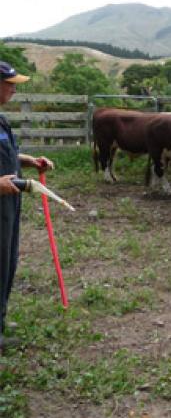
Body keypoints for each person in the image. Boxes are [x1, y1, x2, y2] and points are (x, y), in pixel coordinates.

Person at [0, 61, 54, 351]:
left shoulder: (2, 120)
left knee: (7, 259)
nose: (13, 89)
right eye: (9, 84)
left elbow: (8, 154)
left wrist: (28, 161)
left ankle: (0, 318)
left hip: (9, 202)